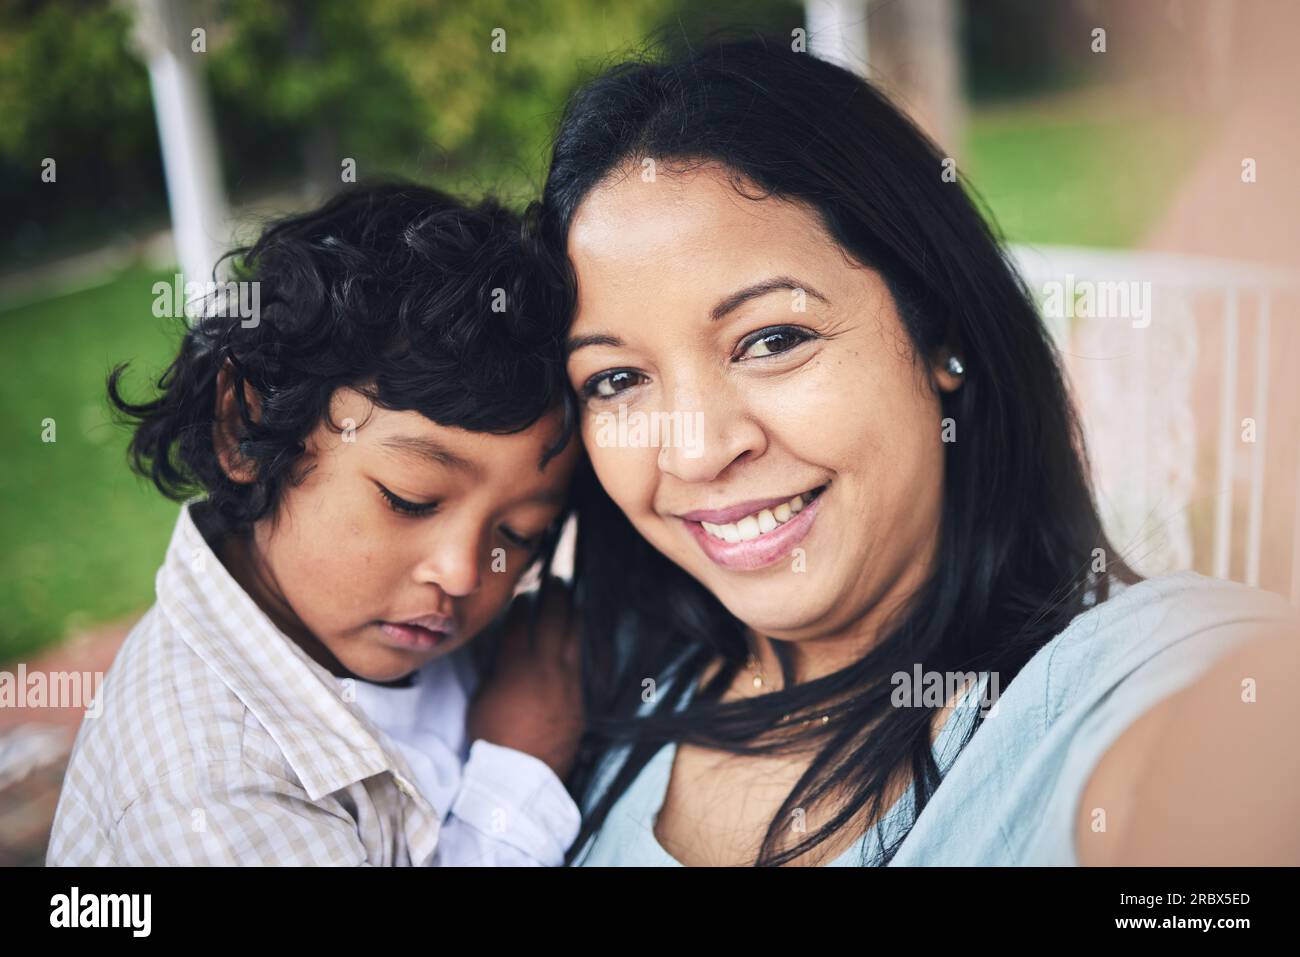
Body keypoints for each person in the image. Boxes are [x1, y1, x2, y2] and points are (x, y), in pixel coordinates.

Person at [537, 39, 1300, 866]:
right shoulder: (572, 704)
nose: (697, 451)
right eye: (616, 379)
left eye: (773, 338)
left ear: (939, 333)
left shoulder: (1120, 683)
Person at [47, 184, 585, 866]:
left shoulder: (407, 636)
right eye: (411, 499)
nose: (464, 571)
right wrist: (517, 779)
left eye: (521, 534)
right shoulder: (207, 792)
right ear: (243, 429)